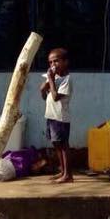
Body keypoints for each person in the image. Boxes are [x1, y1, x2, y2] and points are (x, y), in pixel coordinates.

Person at [39, 47, 72, 183]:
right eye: (50, 62)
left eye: (56, 61)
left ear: (65, 62)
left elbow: (56, 96)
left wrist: (51, 81)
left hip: (61, 118)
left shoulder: (66, 80)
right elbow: (44, 95)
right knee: (56, 144)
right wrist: (45, 85)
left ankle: (68, 175)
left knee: (63, 145)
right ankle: (62, 171)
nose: (53, 65)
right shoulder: (55, 78)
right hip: (51, 116)